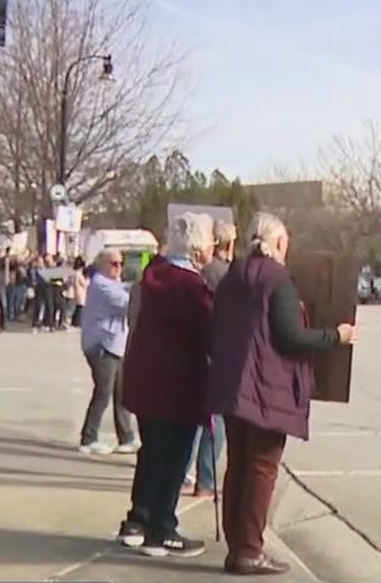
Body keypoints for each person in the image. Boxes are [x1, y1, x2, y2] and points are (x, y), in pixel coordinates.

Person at [207, 213, 355, 575]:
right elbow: (290, 336)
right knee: (261, 469)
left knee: (238, 467)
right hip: (266, 387)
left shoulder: (232, 278)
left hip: (232, 386)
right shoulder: (278, 280)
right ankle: (250, 550)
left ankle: (236, 547)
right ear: (278, 244)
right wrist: (336, 336)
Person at [117, 213, 216, 558]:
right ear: (199, 246)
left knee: (153, 451)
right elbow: (208, 334)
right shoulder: (189, 286)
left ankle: (139, 519)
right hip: (178, 383)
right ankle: (162, 526)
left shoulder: (152, 276)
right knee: (174, 457)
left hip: (145, 377)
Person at [185, 220, 238, 499]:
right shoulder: (226, 275)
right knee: (215, 422)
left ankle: (183, 473)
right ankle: (205, 479)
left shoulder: (201, 274)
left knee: (194, 419)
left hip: (195, 351)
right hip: (217, 353)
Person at [78, 248, 138, 455]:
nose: (118, 268)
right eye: (114, 264)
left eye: (121, 263)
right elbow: (127, 304)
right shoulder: (101, 285)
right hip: (102, 346)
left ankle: (127, 437)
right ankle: (89, 437)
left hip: (115, 346)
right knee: (103, 392)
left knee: (121, 393)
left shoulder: (113, 283)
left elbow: (127, 289)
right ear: (102, 264)